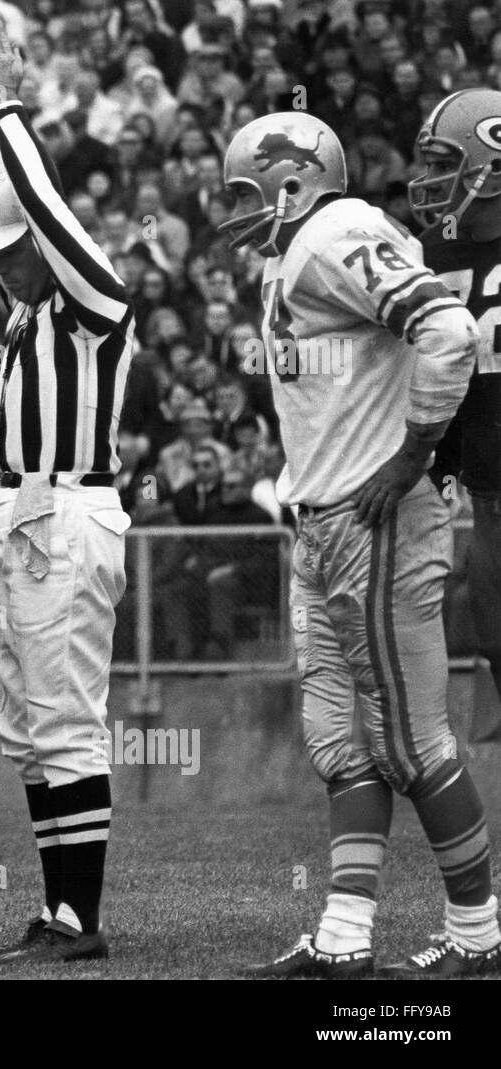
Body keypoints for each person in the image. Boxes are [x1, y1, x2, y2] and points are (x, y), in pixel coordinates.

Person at [223, 111, 499, 978]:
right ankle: (345, 938)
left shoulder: (335, 231)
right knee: (340, 739)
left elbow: (447, 330)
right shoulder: (293, 249)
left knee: (413, 742)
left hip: (375, 518)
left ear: (295, 180)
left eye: (248, 189)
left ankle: (478, 932)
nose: (236, 209)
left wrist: (413, 453)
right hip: (326, 523)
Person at [0, 11, 133, 965]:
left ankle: (80, 919)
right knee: (29, 725)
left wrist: (10, 100)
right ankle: (58, 912)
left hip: (67, 506)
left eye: (11, 253)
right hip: (20, 507)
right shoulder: (33, 310)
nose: (1, 271)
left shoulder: (94, 301)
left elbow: (39, 204)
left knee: (66, 720)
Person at [408, 88, 501, 742]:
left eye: (443, 162)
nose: (428, 180)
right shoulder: (431, 256)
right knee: (495, 637)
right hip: (487, 496)